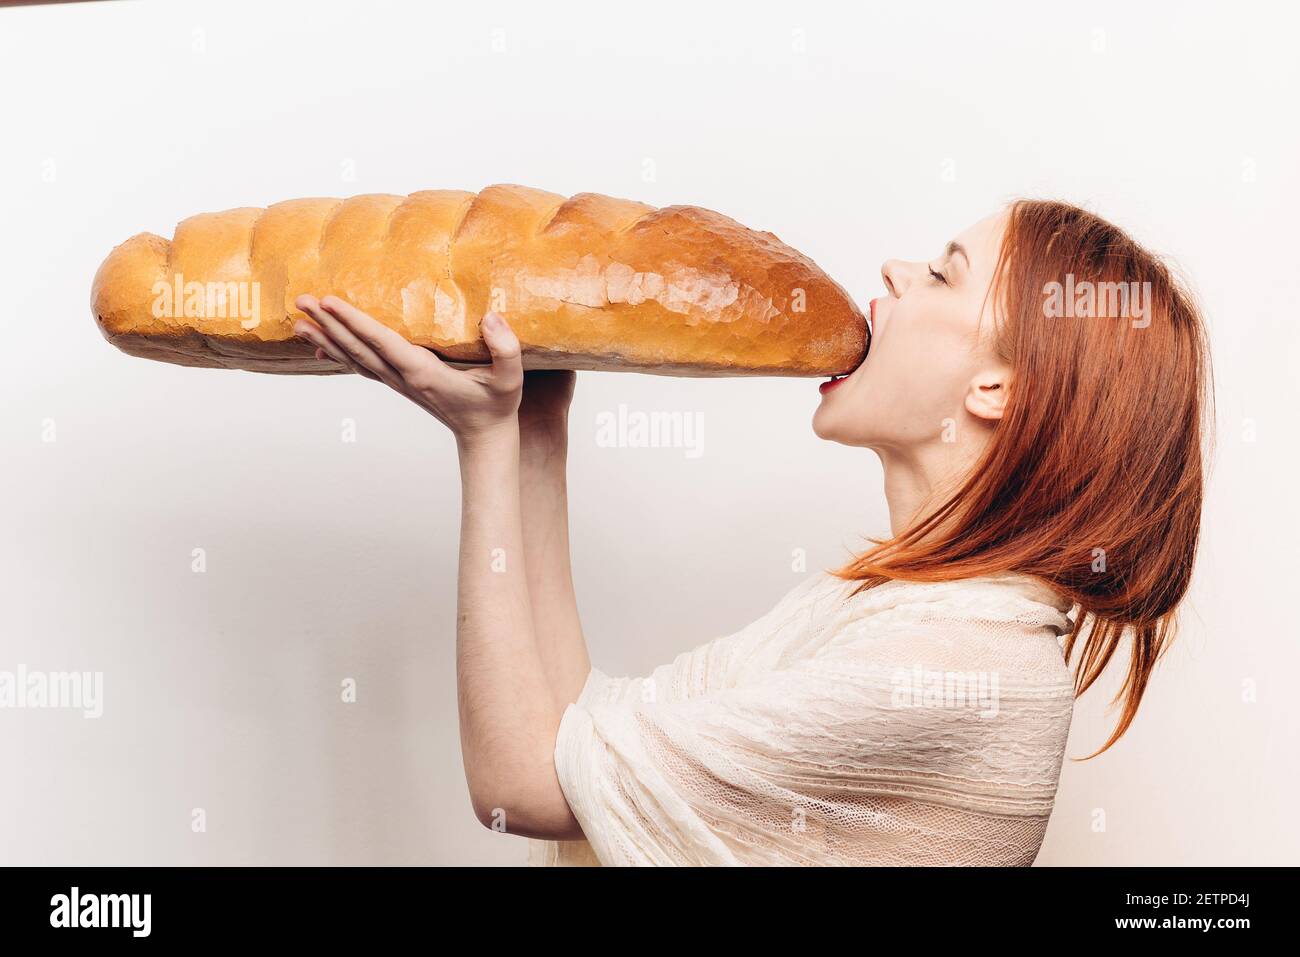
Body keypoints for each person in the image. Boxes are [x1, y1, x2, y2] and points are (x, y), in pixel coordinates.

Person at [291, 199, 1210, 866]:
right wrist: (534, 434)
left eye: (942, 271)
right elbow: (585, 747)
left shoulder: (964, 669)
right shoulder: (886, 609)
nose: (894, 269)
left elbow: (520, 792)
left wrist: (481, 445)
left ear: (998, 389)